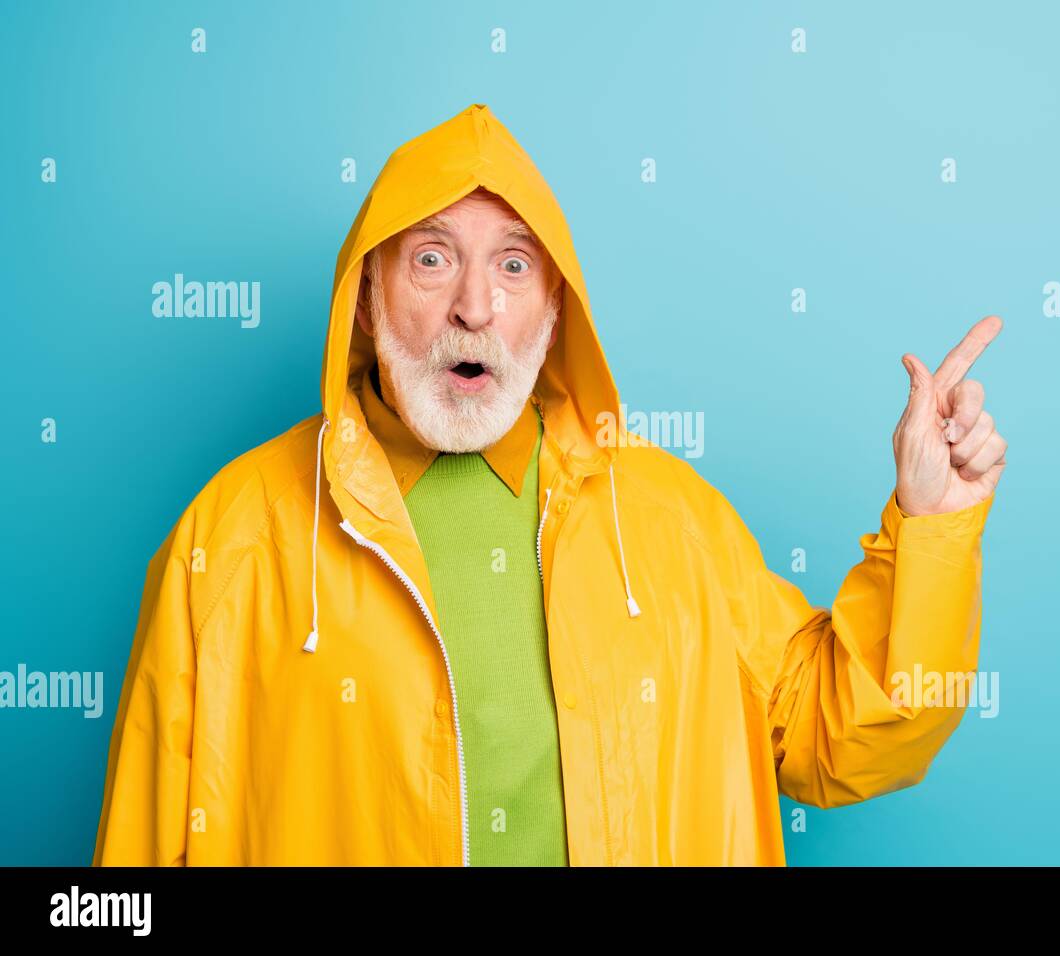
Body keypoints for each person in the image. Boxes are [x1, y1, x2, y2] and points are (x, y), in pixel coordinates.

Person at [93, 102, 1007, 866]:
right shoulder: (233, 537)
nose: (475, 307)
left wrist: (930, 528)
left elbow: (840, 736)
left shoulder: (666, 520)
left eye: (514, 265)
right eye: (432, 257)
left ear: (555, 304)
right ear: (368, 292)